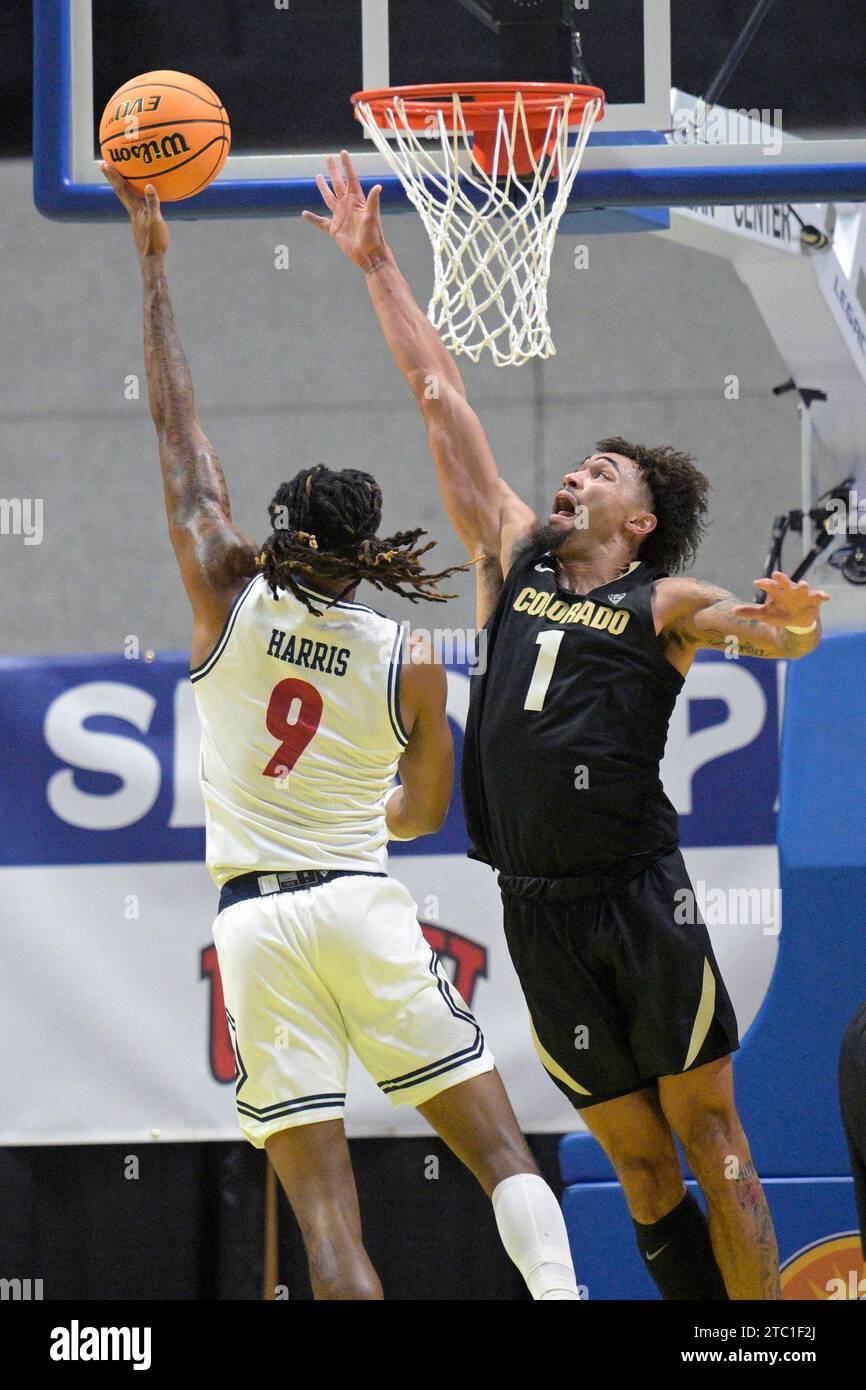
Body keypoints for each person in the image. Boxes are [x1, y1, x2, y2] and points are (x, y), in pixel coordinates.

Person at [305, 150, 831, 1300]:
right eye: (576, 468)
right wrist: (378, 262)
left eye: (597, 474)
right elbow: (437, 392)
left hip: (637, 891)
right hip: (534, 906)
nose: (573, 479)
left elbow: (770, 632)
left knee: (713, 1140)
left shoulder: (663, 603)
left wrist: (790, 625)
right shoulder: (511, 557)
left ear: (637, 521)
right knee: (639, 1169)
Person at [102, 161, 582, 1301]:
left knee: (325, 1219)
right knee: (500, 1148)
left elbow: (180, 440)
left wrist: (154, 257)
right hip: (360, 900)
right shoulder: (407, 654)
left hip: (258, 924)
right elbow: (420, 813)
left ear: (278, 526)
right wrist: (360, 804)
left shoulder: (226, 587)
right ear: (371, 549)